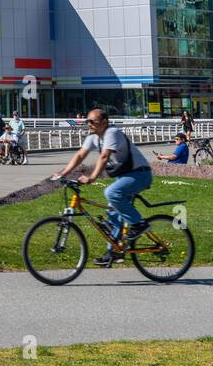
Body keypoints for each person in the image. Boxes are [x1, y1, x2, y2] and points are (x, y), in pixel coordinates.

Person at [50, 109, 152, 266]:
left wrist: (92, 178)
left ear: (104, 122)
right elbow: (79, 156)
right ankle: (113, 253)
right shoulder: (94, 138)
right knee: (113, 213)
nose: (89, 124)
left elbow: (104, 156)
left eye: (93, 121)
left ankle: (139, 224)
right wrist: (62, 173)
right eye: (87, 121)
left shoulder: (111, 132)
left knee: (111, 192)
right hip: (124, 177)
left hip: (139, 174)